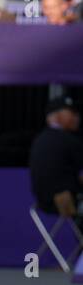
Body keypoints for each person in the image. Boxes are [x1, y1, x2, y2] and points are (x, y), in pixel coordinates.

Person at [29, 97, 82, 235]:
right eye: (72, 113)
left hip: (42, 203)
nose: (77, 117)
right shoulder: (69, 140)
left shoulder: (39, 139)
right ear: (57, 116)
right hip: (67, 203)